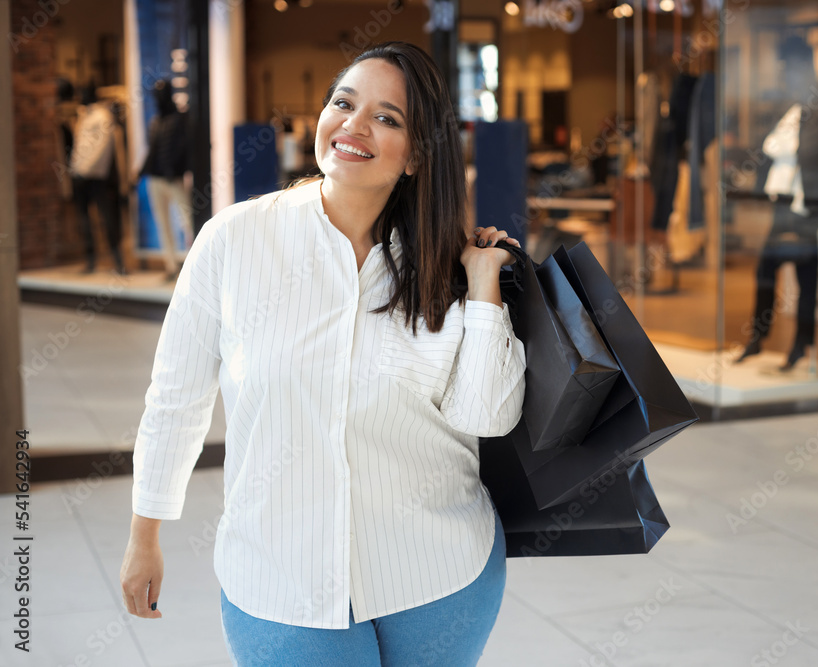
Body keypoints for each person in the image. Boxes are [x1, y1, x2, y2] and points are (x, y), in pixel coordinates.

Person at [119, 41, 527, 666]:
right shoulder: (234, 241)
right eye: (344, 103)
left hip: (438, 574)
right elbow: (176, 396)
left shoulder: (447, 262)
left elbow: (486, 416)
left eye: (387, 118)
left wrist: (482, 285)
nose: (353, 126)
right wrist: (144, 534)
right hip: (281, 580)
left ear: (417, 153)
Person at [737, 35, 818, 371]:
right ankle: (759, 338)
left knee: (806, 279)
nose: (784, 75)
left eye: (789, 68)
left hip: (804, 208)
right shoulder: (792, 108)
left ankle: (801, 344)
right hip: (783, 208)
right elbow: (771, 148)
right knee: (766, 271)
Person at [69, 81, 128, 275]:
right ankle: (91, 260)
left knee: (107, 218)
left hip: (97, 176)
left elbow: (102, 148)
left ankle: (118, 262)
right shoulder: (83, 115)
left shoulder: (102, 116)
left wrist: (85, 170)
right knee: (85, 220)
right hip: (81, 175)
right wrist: (75, 169)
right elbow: (80, 147)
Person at [140, 79, 193, 282]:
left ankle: (195, 263)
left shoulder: (180, 119)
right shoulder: (155, 122)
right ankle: (171, 266)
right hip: (156, 179)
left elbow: (186, 147)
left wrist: (181, 169)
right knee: (163, 224)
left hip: (175, 179)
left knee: (187, 221)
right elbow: (151, 151)